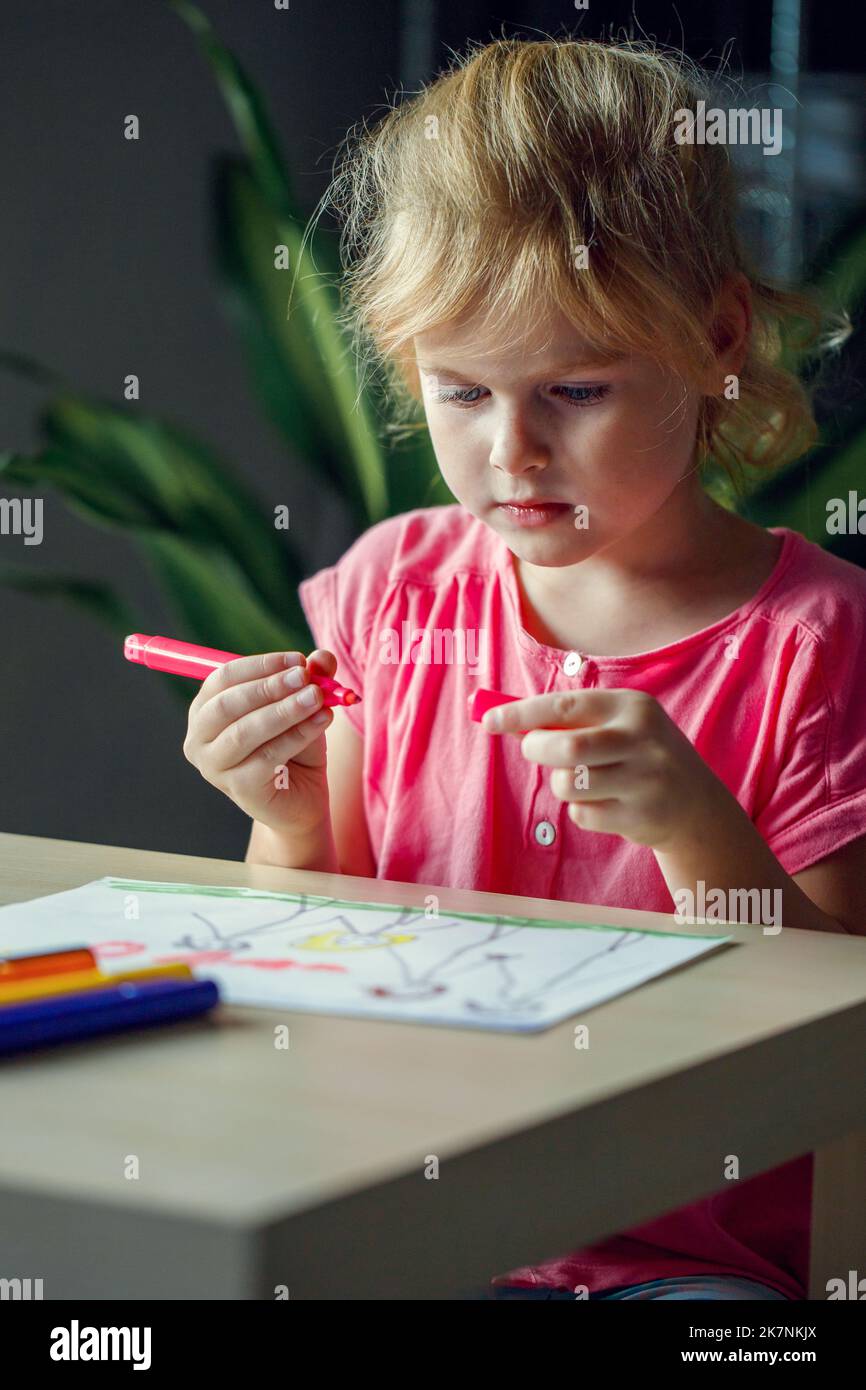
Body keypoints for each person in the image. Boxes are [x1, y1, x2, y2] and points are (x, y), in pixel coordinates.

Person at [183, 38, 866, 1300]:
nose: (513, 452)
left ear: (715, 337)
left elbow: (838, 1034)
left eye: (574, 387)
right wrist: (282, 820)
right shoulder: (393, 590)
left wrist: (697, 829)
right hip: (402, 1210)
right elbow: (311, 936)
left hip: (677, 1259)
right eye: (459, 392)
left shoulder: (813, 641)